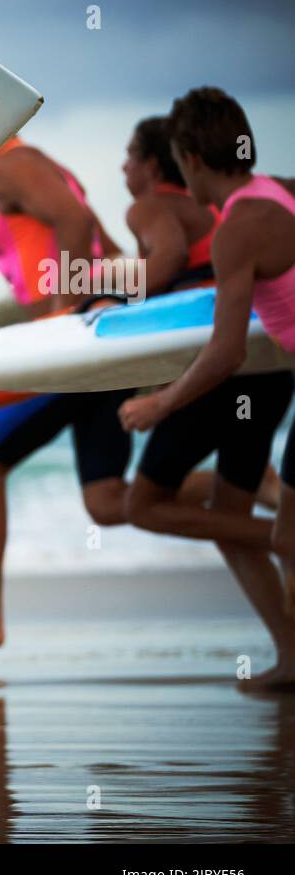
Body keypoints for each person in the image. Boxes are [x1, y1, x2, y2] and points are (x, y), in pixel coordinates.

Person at [119, 88, 295, 689]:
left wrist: (157, 403)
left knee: (280, 532)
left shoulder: (235, 230)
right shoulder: (280, 189)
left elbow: (226, 351)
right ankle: (292, 657)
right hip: (277, 382)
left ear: (191, 157)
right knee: (232, 516)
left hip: (247, 378)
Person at [0, 138, 135, 659]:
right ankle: (261, 502)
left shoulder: (9, 165)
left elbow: (73, 222)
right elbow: (106, 249)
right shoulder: (43, 163)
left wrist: (62, 316)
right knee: (107, 500)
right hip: (100, 327)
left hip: (77, 335)